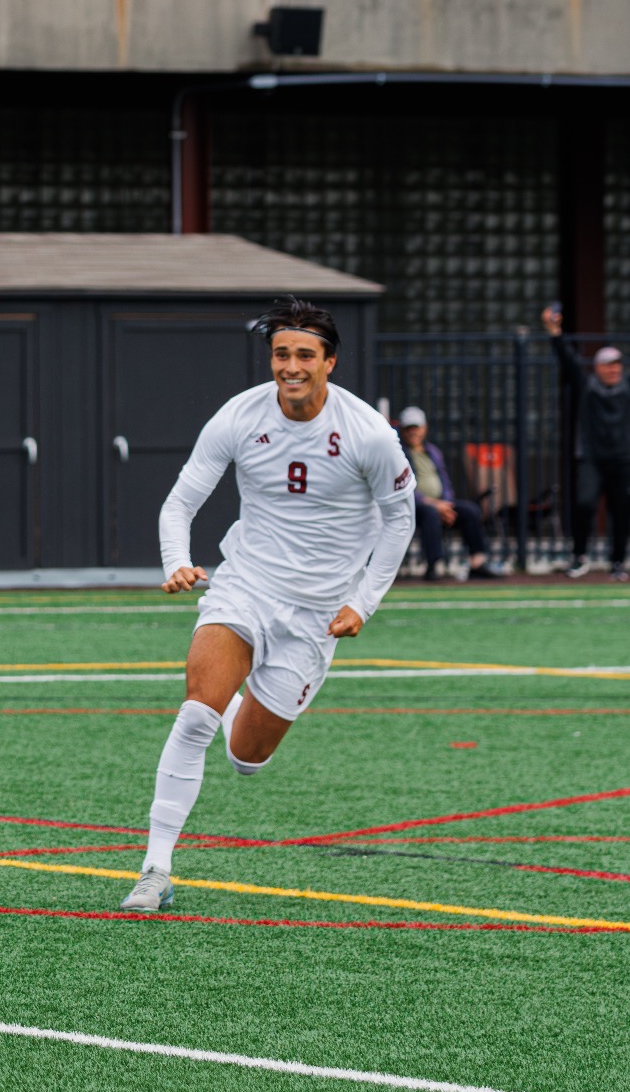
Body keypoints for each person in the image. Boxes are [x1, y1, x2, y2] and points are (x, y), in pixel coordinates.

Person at [122, 297, 415, 911]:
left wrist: (363, 603)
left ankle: (243, 711)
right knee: (197, 712)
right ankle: (155, 869)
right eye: (281, 354)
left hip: (316, 611)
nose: (291, 366)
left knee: (248, 757)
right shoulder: (239, 415)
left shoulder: (369, 434)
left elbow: (399, 520)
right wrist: (176, 560)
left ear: (329, 362)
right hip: (244, 584)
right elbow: (179, 503)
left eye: (304, 355)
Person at [542, 307, 630, 581]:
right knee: (584, 504)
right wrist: (555, 334)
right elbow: (568, 362)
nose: (614, 369)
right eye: (608, 364)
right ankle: (579, 556)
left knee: (623, 511)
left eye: (617, 364)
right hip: (592, 458)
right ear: (598, 368)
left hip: (624, 458)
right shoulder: (587, 386)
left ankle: (617, 562)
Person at [397, 406, 505, 580]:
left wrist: (446, 503)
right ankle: (433, 565)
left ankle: (477, 562)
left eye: (416, 428)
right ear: (402, 429)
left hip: (441, 504)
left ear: (424, 428)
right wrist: (432, 503)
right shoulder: (398, 452)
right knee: (430, 513)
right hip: (414, 506)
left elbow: (445, 482)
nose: (413, 432)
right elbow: (402, 486)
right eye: (409, 428)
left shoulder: (433, 451)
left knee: (470, 511)